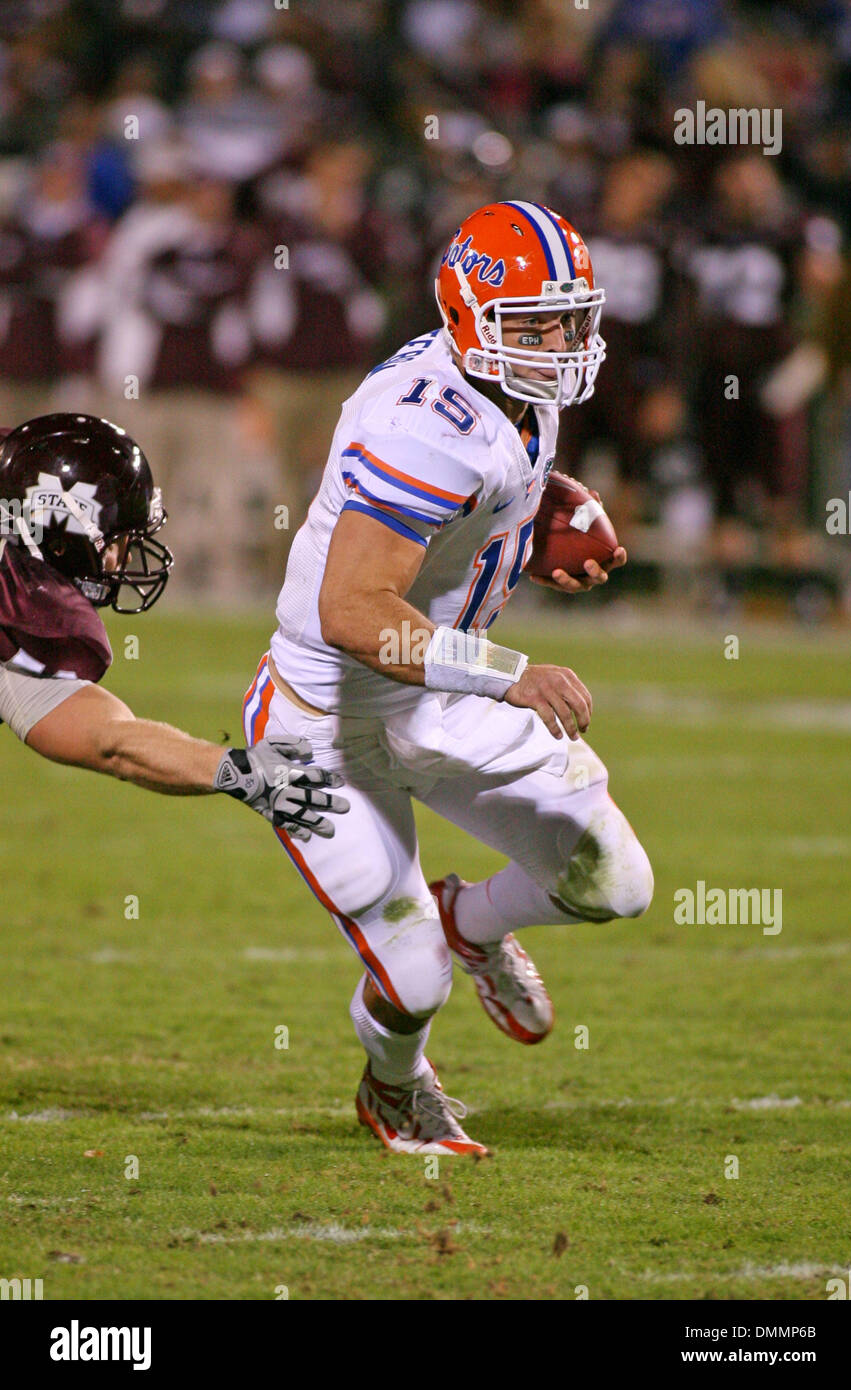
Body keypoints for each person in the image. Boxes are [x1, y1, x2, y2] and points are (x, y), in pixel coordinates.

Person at [245, 202, 653, 1155]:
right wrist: (507, 671)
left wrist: (525, 536)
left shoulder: (511, 392)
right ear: (472, 313)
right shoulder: (427, 429)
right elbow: (353, 612)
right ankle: (396, 1086)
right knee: (413, 983)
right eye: (536, 325)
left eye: (570, 319)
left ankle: (469, 918)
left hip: (434, 693)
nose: (560, 344)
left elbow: (488, 487)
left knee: (615, 881)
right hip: (325, 719)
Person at [0, 413, 346, 837]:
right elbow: (112, 744)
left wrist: (237, 770)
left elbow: (112, 739)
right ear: (60, 539)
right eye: (116, 541)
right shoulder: (17, 613)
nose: (123, 560)